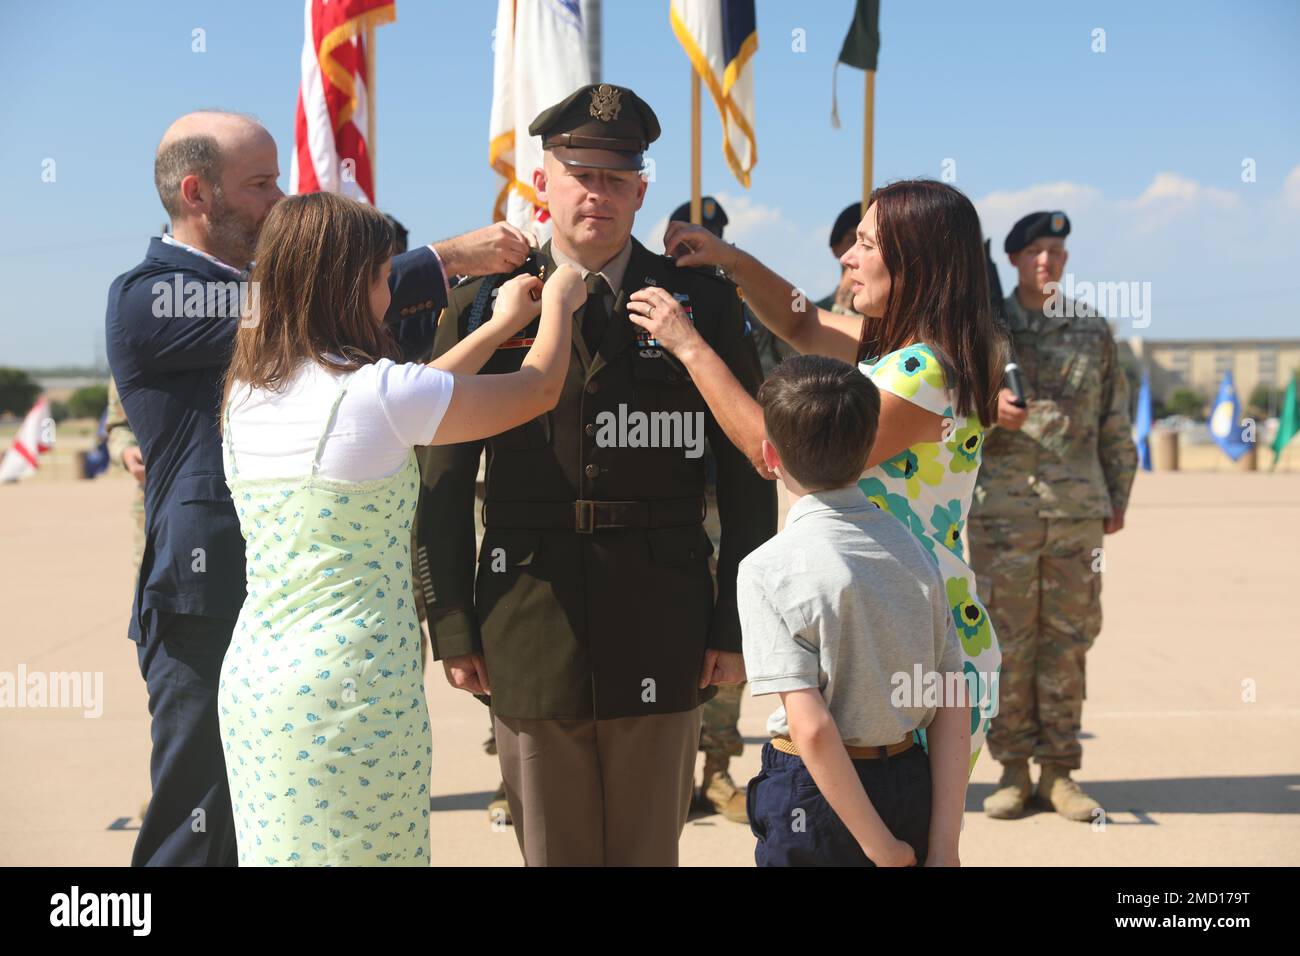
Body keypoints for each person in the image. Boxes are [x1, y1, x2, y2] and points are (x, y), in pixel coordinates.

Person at [105, 109, 533, 867]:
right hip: (207, 602)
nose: (281, 198)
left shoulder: (270, 303)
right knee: (198, 826)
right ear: (198, 193)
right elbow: (300, 303)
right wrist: (439, 258)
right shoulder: (152, 298)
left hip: (303, 611)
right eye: (262, 183)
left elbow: (396, 386)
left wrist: (492, 327)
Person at [416, 83, 777, 866]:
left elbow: (750, 481)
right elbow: (440, 476)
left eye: (617, 179)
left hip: (665, 614)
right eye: (579, 172)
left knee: (649, 850)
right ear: (540, 184)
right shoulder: (485, 306)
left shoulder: (703, 305)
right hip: (528, 614)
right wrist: (449, 618)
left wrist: (735, 624)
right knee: (554, 849)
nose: (598, 193)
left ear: (642, 191)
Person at [219, 191, 577, 865]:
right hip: (348, 689)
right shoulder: (375, 396)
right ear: (350, 286)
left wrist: (498, 327)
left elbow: (412, 398)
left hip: (258, 681)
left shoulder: (248, 391)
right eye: (384, 275)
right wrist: (559, 300)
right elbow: (537, 390)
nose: (390, 290)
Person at [630, 179, 1006, 769]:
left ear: (913, 262)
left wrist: (688, 345)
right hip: (907, 631)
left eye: (865, 244)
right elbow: (804, 326)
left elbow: (774, 452)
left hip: (908, 647)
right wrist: (730, 259)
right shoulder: (920, 351)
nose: (846, 258)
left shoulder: (921, 372)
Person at [740, 355, 969, 867]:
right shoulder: (916, 550)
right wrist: (945, 846)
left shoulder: (765, 568)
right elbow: (953, 702)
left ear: (770, 456)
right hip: (910, 779)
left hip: (814, 794)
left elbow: (814, 728)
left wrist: (877, 847)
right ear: (869, 447)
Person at [969, 211, 1137, 821]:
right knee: (1007, 645)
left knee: (1067, 644)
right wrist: (991, 411)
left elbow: (1113, 421)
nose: (1048, 260)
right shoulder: (986, 329)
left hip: (1076, 514)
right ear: (1013, 260)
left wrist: (1118, 494)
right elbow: (949, 418)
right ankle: (1012, 770)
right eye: (1036, 250)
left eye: (1057, 251)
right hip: (1002, 514)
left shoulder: (1092, 331)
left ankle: (1061, 772)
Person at [813, 201, 865, 316]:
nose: (859, 250)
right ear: (835, 248)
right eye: (852, 240)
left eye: (869, 243)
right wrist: (842, 307)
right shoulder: (816, 314)